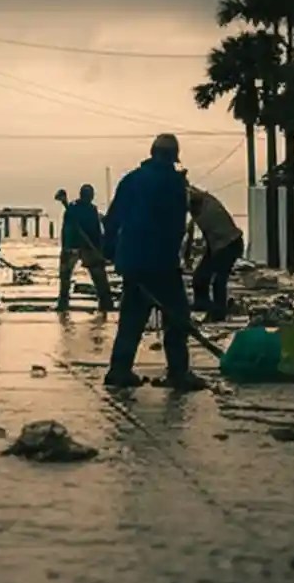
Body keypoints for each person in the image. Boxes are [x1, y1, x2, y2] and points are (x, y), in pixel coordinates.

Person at [101, 134, 206, 391]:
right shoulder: (173, 183)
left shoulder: (131, 180)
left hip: (134, 262)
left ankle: (119, 370)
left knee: (132, 318)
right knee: (177, 316)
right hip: (161, 263)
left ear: (151, 153)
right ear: (172, 157)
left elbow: (112, 220)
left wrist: (112, 252)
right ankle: (178, 372)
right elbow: (176, 227)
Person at [187, 185, 245, 322]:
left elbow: (190, 232)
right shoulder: (205, 202)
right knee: (200, 277)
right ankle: (203, 306)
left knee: (218, 281)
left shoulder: (204, 210)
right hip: (219, 245)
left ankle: (218, 313)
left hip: (229, 245)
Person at [56, 184, 114, 312]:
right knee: (66, 279)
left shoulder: (84, 210)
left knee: (99, 277)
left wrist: (99, 250)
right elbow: (68, 230)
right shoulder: (73, 209)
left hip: (84, 247)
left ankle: (105, 303)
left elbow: (96, 231)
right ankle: (63, 304)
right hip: (74, 246)